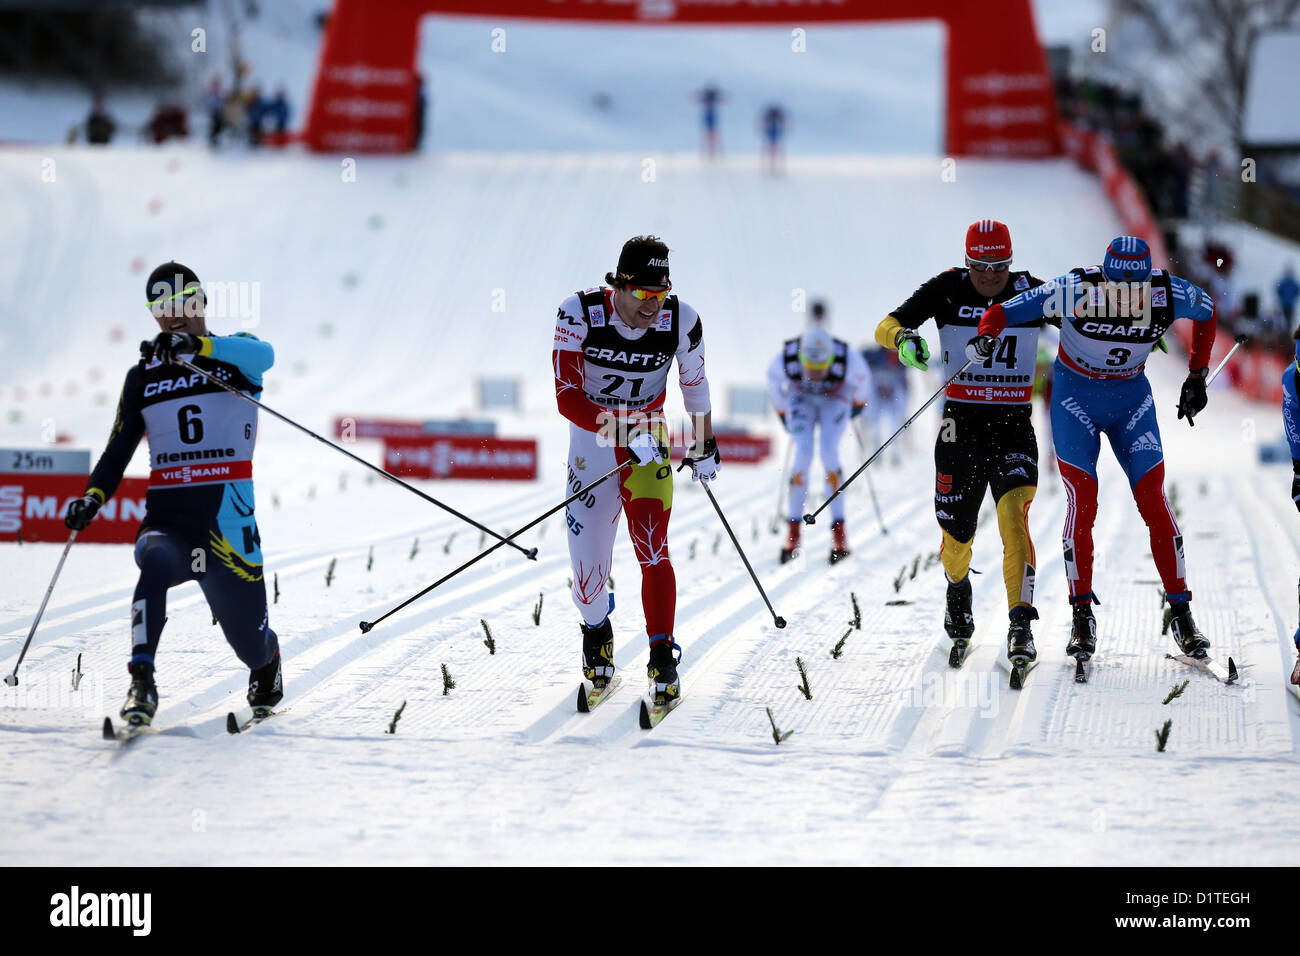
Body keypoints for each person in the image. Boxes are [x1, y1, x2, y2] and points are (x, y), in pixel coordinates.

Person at [973, 235, 1218, 665]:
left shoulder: (1165, 291)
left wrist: (1197, 375)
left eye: (1134, 289)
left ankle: (1181, 612)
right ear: (1102, 277)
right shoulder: (1073, 289)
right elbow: (1000, 312)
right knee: (1083, 502)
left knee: (1154, 502)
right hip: (1074, 401)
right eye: (1116, 287)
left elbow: (1208, 310)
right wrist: (988, 336)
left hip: (1130, 402)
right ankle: (1081, 614)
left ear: (1148, 281)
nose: (1125, 297)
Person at [63, 262, 281, 726]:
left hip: (226, 526)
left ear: (201, 302)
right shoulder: (142, 375)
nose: (172, 315)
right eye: (160, 308)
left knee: (249, 643)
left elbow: (265, 356)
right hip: (170, 521)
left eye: (182, 303)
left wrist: (196, 347)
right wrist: (93, 497)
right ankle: (142, 681)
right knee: (155, 560)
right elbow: (118, 448)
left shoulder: (233, 355)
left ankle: (266, 662)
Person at [552, 236, 716, 709]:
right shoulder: (578, 313)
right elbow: (567, 397)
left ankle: (662, 657)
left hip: (649, 438)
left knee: (651, 544)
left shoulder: (681, 319)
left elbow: (694, 383)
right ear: (619, 286)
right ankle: (597, 634)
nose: (651, 306)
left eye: (659, 294)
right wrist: (622, 429)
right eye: (642, 294)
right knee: (588, 574)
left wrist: (704, 443)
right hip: (594, 438)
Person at [875, 220, 1047, 666]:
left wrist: (1135, 324)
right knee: (956, 536)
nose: (991, 275)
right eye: (981, 266)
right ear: (966, 261)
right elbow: (886, 325)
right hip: (960, 428)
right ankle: (957, 586)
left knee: (1014, 520)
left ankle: (1020, 625)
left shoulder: (1030, 290)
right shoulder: (947, 288)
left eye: (1000, 266)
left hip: (1012, 425)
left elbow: (1086, 312)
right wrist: (904, 339)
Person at [767, 325, 870, 564]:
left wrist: (856, 406)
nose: (814, 372)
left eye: (820, 367)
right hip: (800, 397)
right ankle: (793, 533)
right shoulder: (787, 356)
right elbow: (773, 382)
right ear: (801, 357)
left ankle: (839, 536)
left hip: (835, 397)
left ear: (831, 359)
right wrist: (783, 410)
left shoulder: (848, 358)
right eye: (809, 366)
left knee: (828, 452)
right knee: (802, 453)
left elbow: (864, 383)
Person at [696, 85, 724, 158]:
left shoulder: (708, 101)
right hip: (710, 119)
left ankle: (711, 153)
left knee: (711, 137)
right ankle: (710, 153)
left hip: (710, 119)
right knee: (711, 137)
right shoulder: (710, 101)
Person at [759, 103, 787, 175]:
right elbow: (783, 123)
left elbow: (764, 123)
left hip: (773, 133)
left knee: (773, 149)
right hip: (773, 133)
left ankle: (774, 165)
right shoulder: (774, 116)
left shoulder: (772, 116)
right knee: (773, 149)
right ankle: (773, 165)